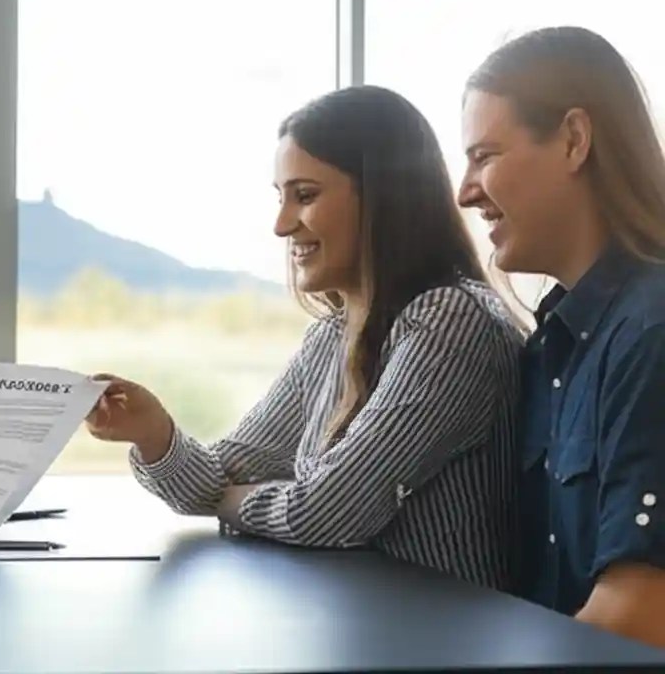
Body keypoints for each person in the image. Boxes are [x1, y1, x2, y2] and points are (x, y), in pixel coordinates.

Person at [85, 85, 523, 589]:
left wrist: (230, 501)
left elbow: (327, 511)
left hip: (445, 651)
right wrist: (153, 434)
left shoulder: (450, 319)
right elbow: (217, 476)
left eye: (305, 195)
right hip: (359, 630)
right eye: (281, 197)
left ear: (382, 197)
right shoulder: (334, 335)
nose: (281, 224)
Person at [458, 25, 665, 648]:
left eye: (484, 156)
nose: (464, 192)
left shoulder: (652, 333)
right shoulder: (550, 346)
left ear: (574, 140)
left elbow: (640, 616)